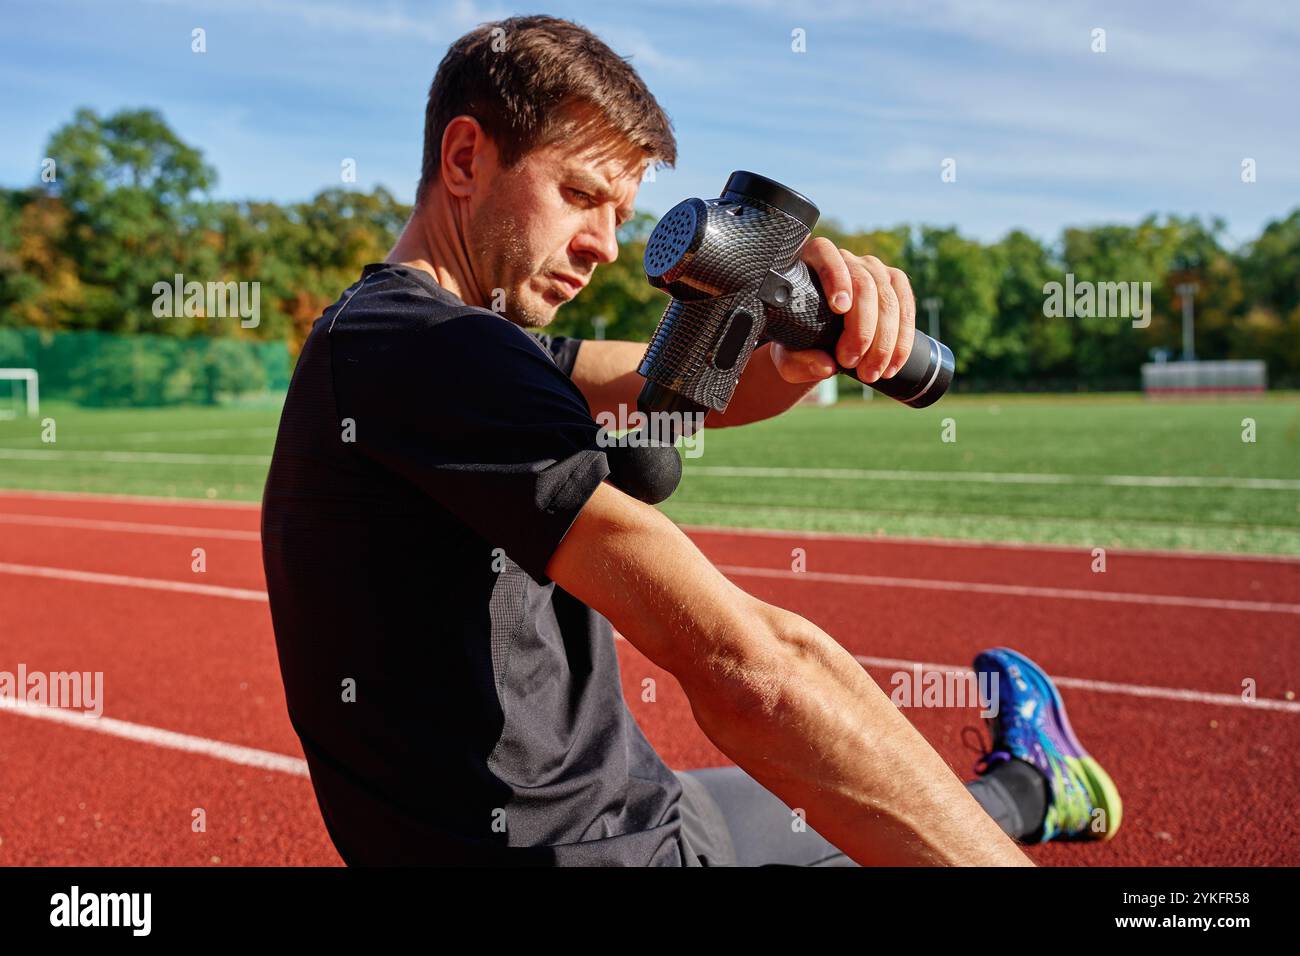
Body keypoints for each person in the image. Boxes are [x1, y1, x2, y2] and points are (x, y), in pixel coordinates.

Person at [261, 14, 1121, 867]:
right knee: (865, 812)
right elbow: (755, 672)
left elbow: (659, 390)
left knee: (855, 806)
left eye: (621, 211)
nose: (605, 244)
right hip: (590, 853)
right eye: (581, 194)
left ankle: (1035, 786)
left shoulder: (439, 343)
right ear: (464, 159)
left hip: (634, 803)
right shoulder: (430, 348)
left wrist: (792, 352)